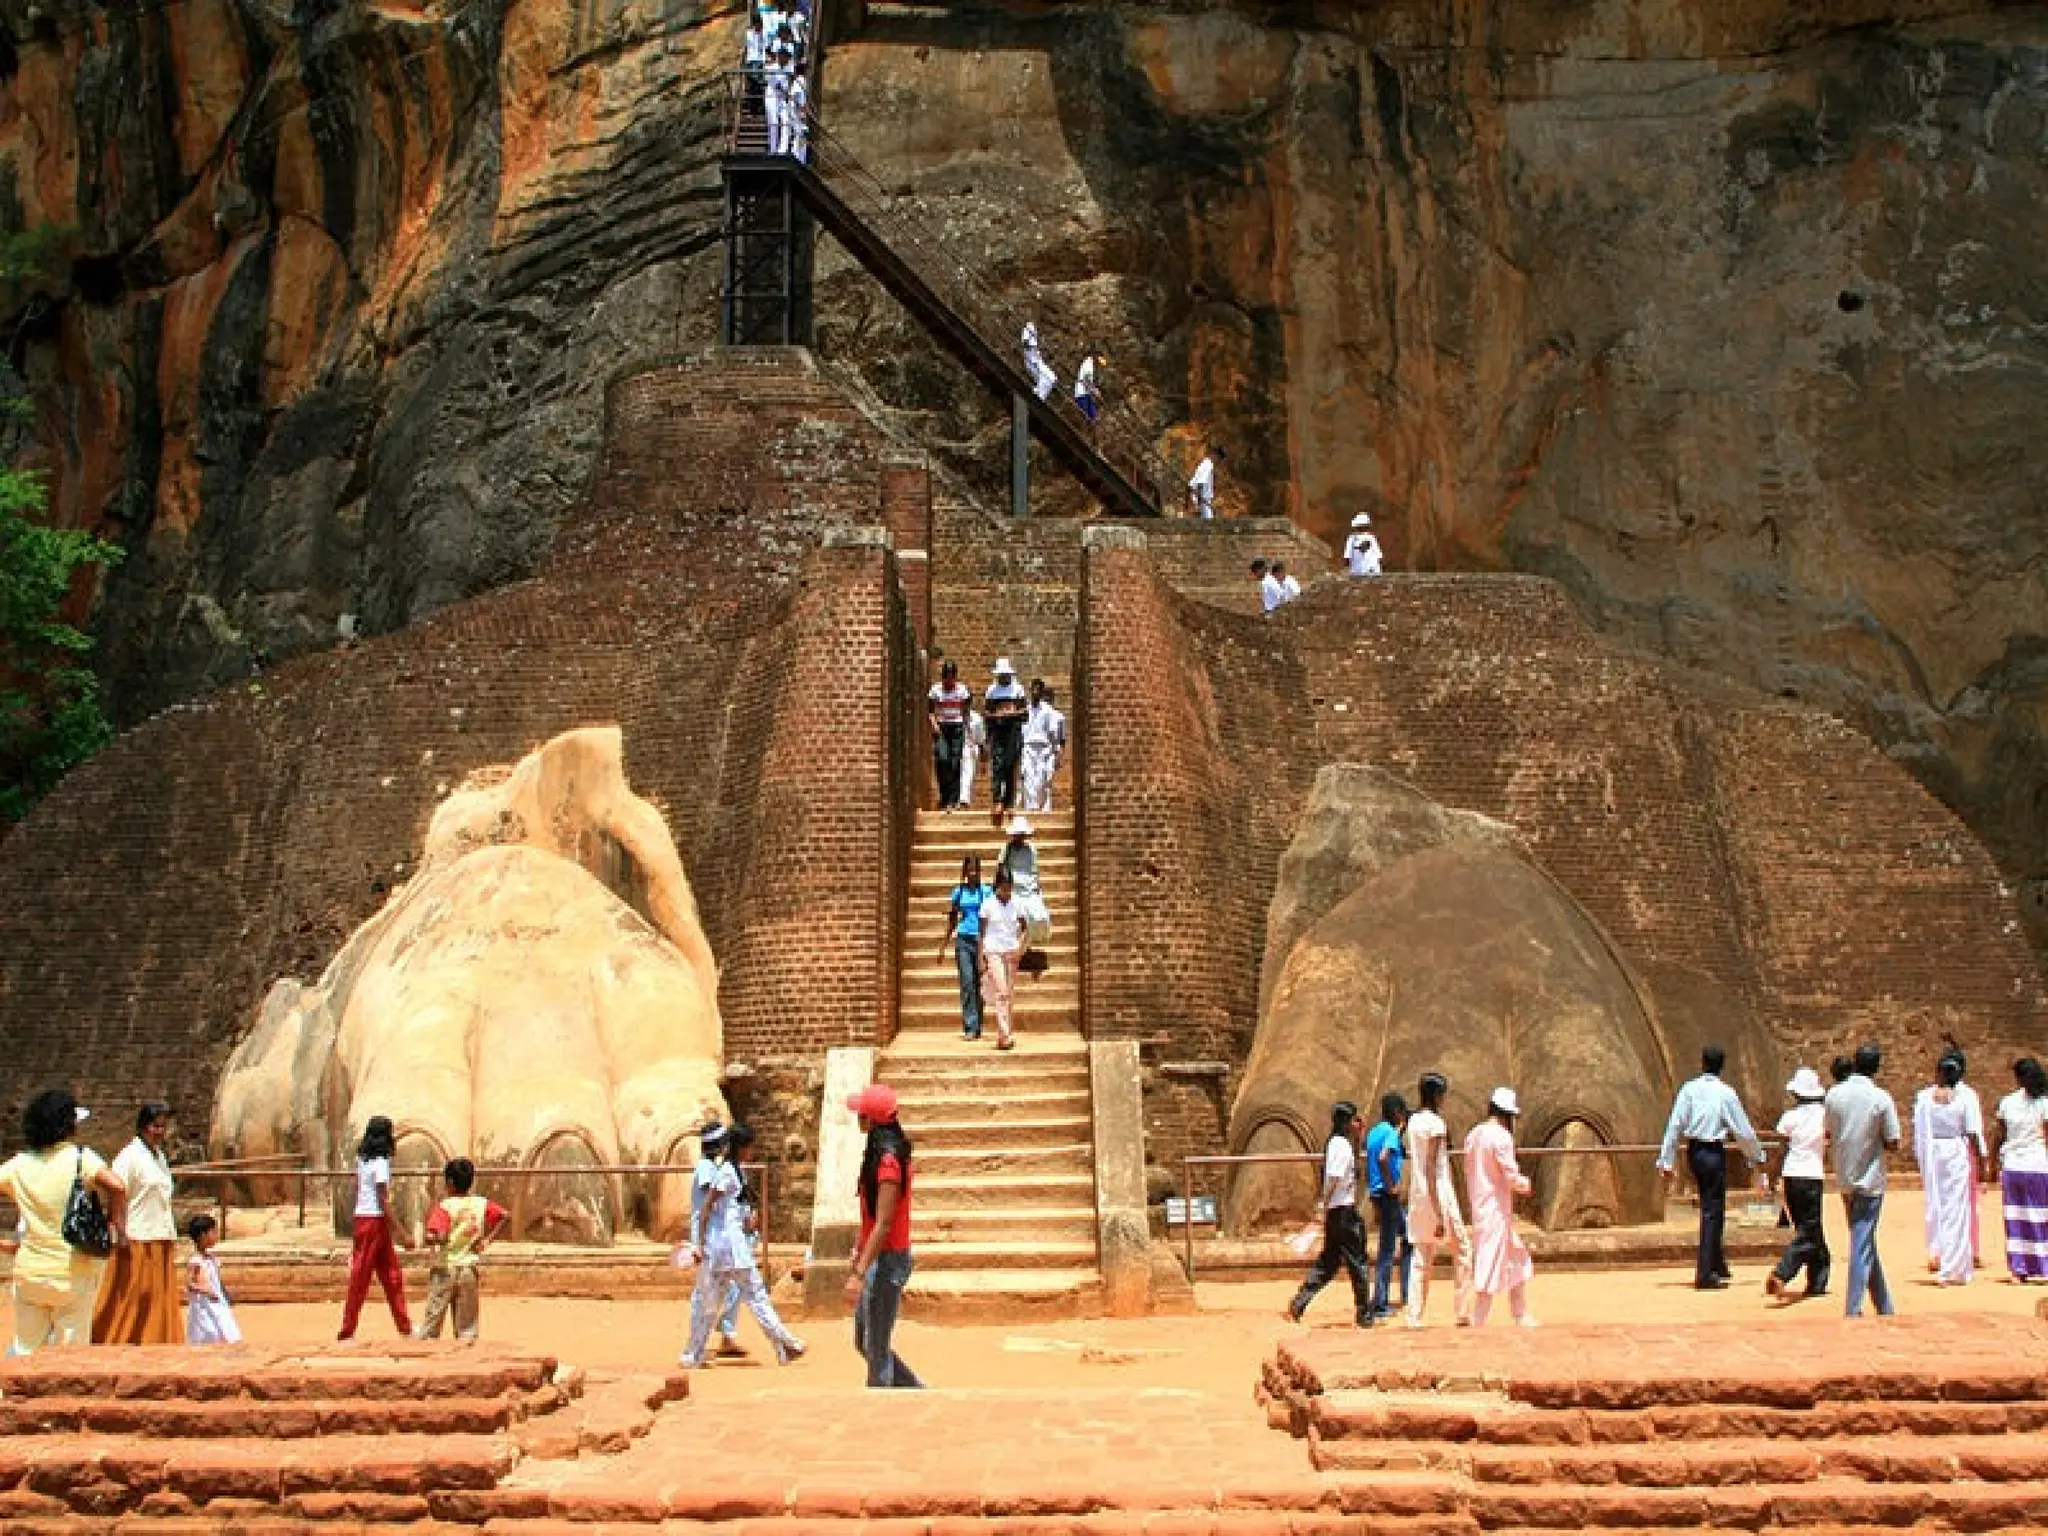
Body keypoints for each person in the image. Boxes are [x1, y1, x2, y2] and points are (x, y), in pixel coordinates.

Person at [0, 1088, 127, 1354]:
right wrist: (116, 1228)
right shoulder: (81, 1158)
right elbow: (117, 1187)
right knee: (71, 1352)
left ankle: (14, 1395)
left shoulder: (18, 1165)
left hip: (30, 1271)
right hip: (73, 1271)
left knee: (25, 1348)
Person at [681, 1123, 805, 1367]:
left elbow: (724, 1207)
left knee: (711, 1302)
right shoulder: (725, 1172)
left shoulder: (732, 1171)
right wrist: (699, 1243)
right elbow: (708, 1206)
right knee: (754, 1296)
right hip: (729, 1248)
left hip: (721, 1248)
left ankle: (693, 1354)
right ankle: (786, 1345)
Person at [1655, 1045, 1767, 1290]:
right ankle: (1705, 1273)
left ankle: (1717, 1263)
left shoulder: (1689, 1089)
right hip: (1713, 1152)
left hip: (1695, 1152)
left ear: (1703, 1063)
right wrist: (1756, 1157)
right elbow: (1742, 1130)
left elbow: (1675, 1124)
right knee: (1712, 1210)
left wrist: (1667, 1159)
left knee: (1712, 1205)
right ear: (1721, 1066)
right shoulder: (1725, 1093)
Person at [845, 1084, 923, 1388]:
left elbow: (885, 1222)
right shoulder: (877, 1156)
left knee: (876, 1350)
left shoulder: (889, 1162)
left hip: (887, 1259)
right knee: (867, 1343)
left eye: (862, 1114)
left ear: (872, 1120)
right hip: (876, 1256)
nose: (858, 1118)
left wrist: (859, 1272)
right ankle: (916, 1391)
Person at [92, 1101, 181, 1344]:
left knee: (158, 1296)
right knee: (132, 1294)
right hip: (137, 1235)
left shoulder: (159, 1156)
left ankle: (156, 1342)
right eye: (155, 1126)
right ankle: (114, 1340)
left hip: (161, 1233)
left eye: (163, 1126)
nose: (160, 1132)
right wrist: (119, 1231)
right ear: (143, 1126)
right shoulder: (129, 1157)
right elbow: (117, 1194)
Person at [1825, 1042, 1901, 1318]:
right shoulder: (1880, 1098)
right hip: (1870, 1181)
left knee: (1863, 1239)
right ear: (1877, 1068)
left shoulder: (1834, 1095)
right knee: (1861, 1241)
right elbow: (1893, 1141)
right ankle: (1853, 1308)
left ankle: (1884, 1304)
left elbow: (1830, 1131)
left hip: (1845, 1176)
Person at [1285, 1101, 1373, 1328]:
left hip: (1338, 1211)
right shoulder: (1339, 1145)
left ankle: (1299, 1303)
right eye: (1354, 1119)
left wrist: (1359, 1136)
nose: (1358, 1123)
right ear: (1345, 1122)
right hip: (1342, 1211)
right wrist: (1323, 1204)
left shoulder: (1343, 1144)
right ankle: (1365, 1313)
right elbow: (1334, 1176)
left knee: (1329, 1262)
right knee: (1357, 1262)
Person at [1463, 1087, 1537, 1328]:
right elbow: (1510, 1175)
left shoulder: (1473, 1135)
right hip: (1494, 1208)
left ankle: (1520, 1312)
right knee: (1488, 1260)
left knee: (1516, 1257)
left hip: (1483, 1205)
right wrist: (1525, 1185)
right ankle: (1479, 1318)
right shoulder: (1501, 1138)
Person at [1403, 1072, 1471, 1327]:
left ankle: (1414, 1316)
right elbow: (1432, 1167)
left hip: (1418, 1193)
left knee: (1421, 1255)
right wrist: (1439, 1211)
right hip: (1438, 1192)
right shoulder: (1436, 1124)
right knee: (1463, 1249)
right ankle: (1463, 1311)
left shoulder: (1412, 1122)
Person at [415, 1158, 509, 1340]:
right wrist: (487, 1239)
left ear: (449, 1182)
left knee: (433, 1321)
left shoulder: (445, 1207)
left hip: (445, 1268)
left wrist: (431, 1239)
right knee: (467, 1327)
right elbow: (504, 1216)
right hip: (469, 1269)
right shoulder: (481, 1204)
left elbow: (437, 1236)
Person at [1914, 1050, 1985, 1286]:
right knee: (1957, 1210)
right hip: (1955, 1152)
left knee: (1939, 1206)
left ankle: (1943, 1257)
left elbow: (1920, 1131)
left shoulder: (1926, 1098)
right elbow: (1973, 1132)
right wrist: (1981, 1161)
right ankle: (1953, 1268)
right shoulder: (1963, 1098)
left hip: (1934, 1154)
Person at [338, 1115, 413, 1340]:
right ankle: (347, 1330)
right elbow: (383, 1199)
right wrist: (401, 1232)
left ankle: (405, 1328)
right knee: (361, 1277)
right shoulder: (380, 1164)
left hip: (366, 1220)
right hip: (373, 1220)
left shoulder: (363, 1159)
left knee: (392, 1276)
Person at [1766, 1068, 1831, 1300]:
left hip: (1792, 1175)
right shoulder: (1826, 1116)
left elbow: (1781, 1150)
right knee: (1809, 1231)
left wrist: (1773, 1178)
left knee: (1811, 1229)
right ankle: (1782, 1272)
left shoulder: (1789, 1118)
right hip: (1812, 1176)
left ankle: (1818, 1280)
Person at [687, 1123, 748, 1359]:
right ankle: (696, 1346)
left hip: (717, 1237)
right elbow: (710, 1201)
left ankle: (726, 1333)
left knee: (730, 1286)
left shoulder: (716, 1168)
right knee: (705, 1292)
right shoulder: (706, 1169)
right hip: (707, 1237)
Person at [1993, 1056, 2048, 1282]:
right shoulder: (2045, 1103)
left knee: (2015, 1218)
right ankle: (2043, 1265)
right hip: (2038, 1166)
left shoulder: (2007, 1102)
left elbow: (1999, 1134)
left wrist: (1992, 1162)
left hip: (2013, 1167)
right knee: (2041, 1217)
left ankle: (2019, 1269)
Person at [1366, 1094, 1410, 1320]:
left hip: (1376, 1193)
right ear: (1397, 1113)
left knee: (1408, 1236)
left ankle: (1404, 1292)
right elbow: (1384, 1158)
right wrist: (1391, 1185)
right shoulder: (1390, 1133)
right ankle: (1381, 1302)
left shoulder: (1374, 1132)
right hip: (1387, 1195)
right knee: (1386, 1250)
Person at [937, 854, 987, 1041]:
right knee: (967, 983)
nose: (972, 872)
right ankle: (970, 1026)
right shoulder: (958, 892)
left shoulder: (987, 892)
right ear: (965, 871)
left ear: (980, 870)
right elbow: (952, 920)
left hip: (981, 941)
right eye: (969, 868)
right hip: (964, 941)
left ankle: (978, 1023)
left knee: (979, 984)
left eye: (975, 868)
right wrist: (943, 946)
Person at [977, 868, 1025, 1051]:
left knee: (1009, 994)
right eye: (1003, 887)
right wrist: (980, 958)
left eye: (1009, 887)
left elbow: (1025, 927)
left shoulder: (1017, 903)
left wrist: (1020, 947)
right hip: (993, 951)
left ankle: (1006, 1033)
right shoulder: (988, 904)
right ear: (997, 886)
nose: (1006, 892)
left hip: (1011, 951)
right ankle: (1005, 1036)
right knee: (1001, 991)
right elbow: (980, 933)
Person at [182, 1214, 240, 1345]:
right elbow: (190, 1284)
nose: (216, 1235)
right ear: (203, 1236)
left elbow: (217, 1280)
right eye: (213, 1232)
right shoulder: (196, 1261)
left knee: (225, 1328)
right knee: (208, 1331)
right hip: (204, 1304)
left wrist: (225, 1294)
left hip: (218, 1302)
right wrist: (206, 1291)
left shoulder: (212, 1259)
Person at [997, 817, 1052, 951]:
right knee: (1017, 920)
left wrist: (1037, 886)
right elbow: (1001, 868)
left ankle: (1027, 946)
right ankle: (1018, 950)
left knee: (1039, 917)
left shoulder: (1031, 849)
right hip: (1014, 889)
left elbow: (1034, 869)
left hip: (1030, 888)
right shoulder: (1007, 849)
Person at [984, 659, 1028, 824]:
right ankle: (997, 801)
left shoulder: (1017, 689)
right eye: (1001, 675)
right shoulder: (992, 691)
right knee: (997, 766)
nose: (1004, 678)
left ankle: (1009, 802)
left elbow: (1024, 713)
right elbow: (986, 713)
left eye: (1006, 675)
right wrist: (996, 717)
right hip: (998, 732)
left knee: (1010, 766)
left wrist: (1008, 715)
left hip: (1013, 732)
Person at [928, 660, 971, 810]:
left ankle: (953, 800)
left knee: (955, 762)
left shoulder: (962, 690)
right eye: (946, 677)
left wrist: (967, 730)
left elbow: (966, 711)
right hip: (942, 728)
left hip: (957, 727)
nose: (949, 680)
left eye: (951, 677)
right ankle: (944, 796)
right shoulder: (936, 690)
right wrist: (934, 724)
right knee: (942, 760)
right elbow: (931, 711)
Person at [1019, 681, 1067, 813]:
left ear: (1041, 692)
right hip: (1028, 746)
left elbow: (1053, 732)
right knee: (1028, 775)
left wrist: (1055, 752)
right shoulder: (1026, 710)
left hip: (1043, 747)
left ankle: (1041, 806)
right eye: (1033, 690)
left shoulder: (1047, 711)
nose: (1035, 693)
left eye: (1038, 690)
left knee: (1041, 778)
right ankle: (1031, 808)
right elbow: (1022, 730)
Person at [764, 45, 794, 157]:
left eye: (787, 57)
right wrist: (783, 89)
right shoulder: (771, 68)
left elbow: (790, 82)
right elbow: (774, 83)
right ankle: (773, 149)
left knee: (786, 121)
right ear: (779, 56)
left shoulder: (789, 68)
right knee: (774, 122)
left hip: (782, 98)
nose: (786, 59)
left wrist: (788, 92)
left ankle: (783, 149)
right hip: (772, 96)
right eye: (784, 56)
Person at [1020, 322, 1057, 401]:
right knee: (1049, 378)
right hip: (1033, 361)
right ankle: (1038, 396)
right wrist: (1033, 348)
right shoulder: (1028, 327)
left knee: (1050, 378)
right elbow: (1025, 343)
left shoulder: (1033, 330)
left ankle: (1038, 394)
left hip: (1036, 360)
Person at [958, 707, 985, 808]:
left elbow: (980, 737)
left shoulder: (977, 718)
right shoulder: (955, 716)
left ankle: (964, 800)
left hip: (970, 747)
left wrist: (982, 751)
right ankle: (958, 798)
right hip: (956, 746)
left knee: (968, 774)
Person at [787, 72, 809, 162]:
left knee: (800, 135)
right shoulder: (800, 80)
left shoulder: (798, 81)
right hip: (797, 113)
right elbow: (796, 97)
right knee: (801, 134)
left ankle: (800, 158)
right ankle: (799, 158)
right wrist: (802, 111)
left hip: (797, 112)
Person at [1188, 449, 1217, 519]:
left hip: (1201, 497)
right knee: (1208, 521)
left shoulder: (1204, 463)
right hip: (1203, 497)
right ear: (1216, 456)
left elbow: (1192, 483)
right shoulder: (1208, 465)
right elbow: (1201, 482)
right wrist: (1200, 499)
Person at [1074, 352, 1099, 423]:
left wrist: (1093, 389)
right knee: (1086, 417)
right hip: (1082, 394)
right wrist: (1094, 390)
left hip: (1085, 394)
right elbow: (1086, 379)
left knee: (1092, 417)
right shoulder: (1088, 364)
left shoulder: (1089, 364)